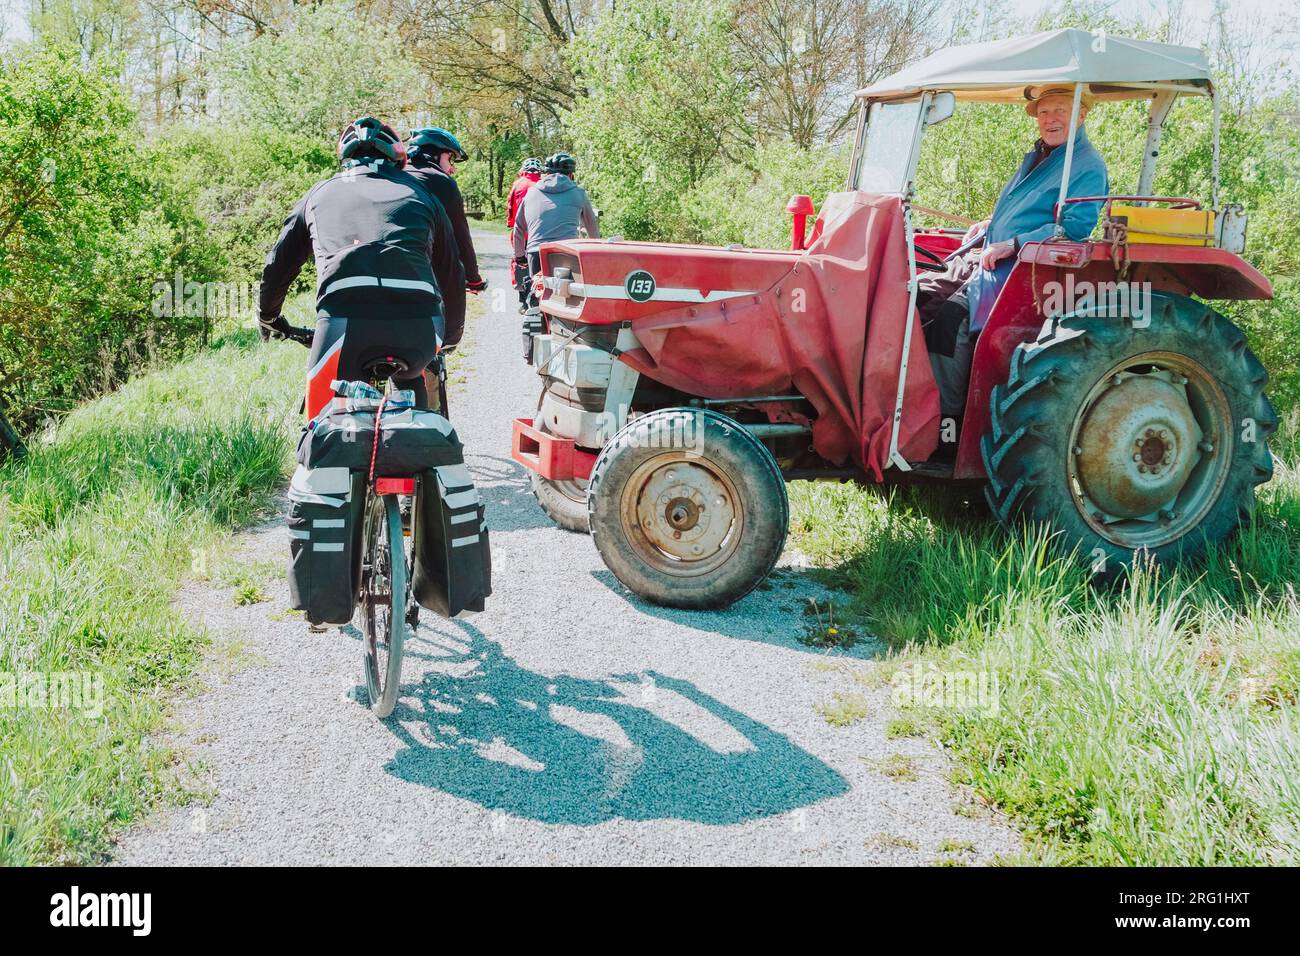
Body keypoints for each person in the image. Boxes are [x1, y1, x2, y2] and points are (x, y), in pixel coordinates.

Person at [919, 85, 1109, 452]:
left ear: (1081, 116)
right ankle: (911, 412)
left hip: (1022, 267)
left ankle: (948, 430)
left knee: (952, 320)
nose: (1050, 120)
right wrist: (990, 223)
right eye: (1043, 113)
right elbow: (1023, 207)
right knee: (921, 296)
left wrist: (1012, 243)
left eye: (1059, 112)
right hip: (992, 255)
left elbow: (1072, 228)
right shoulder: (1039, 156)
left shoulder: (1086, 165)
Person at [258, 117, 457, 419]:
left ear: (344, 158)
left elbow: (279, 264)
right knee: (412, 381)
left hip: (344, 323)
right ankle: (423, 447)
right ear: (398, 158)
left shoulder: (319, 193)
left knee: (322, 425)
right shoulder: (424, 196)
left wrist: (268, 315)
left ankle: (326, 447)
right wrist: (450, 336)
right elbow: (451, 274)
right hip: (419, 328)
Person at [512, 153, 600, 308]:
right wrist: (595, 252)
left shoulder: (531, 193)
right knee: (567, 296)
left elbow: (518, 228)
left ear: (546, 173)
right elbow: (591, 224)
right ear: (571, 175)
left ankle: (535, 314)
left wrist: (520, 257)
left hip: (536, 252)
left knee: (538, 290)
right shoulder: (579, 193)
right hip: (566, 252)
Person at [507, 158, 543, 311]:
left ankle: (523, 301)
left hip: (521, 232)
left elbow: (511, 207)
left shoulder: (518, 184)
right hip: (539, 232)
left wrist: (511, 224)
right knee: (540, 266)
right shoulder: (542, 184)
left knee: (520, 261)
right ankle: (538, 297)